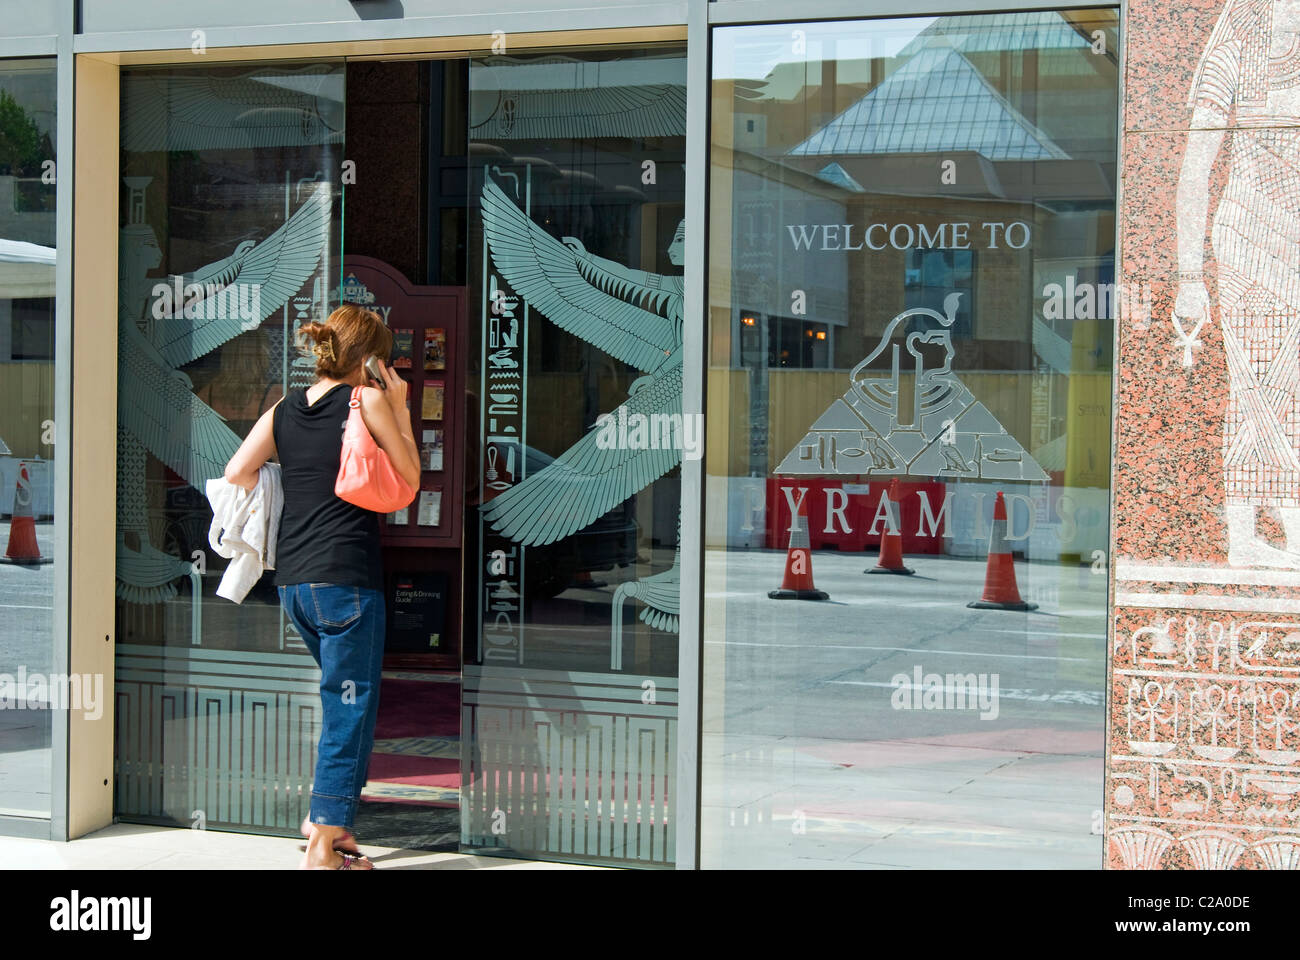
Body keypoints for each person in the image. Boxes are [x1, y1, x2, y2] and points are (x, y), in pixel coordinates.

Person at [223, 303, 420, 869]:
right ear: (371, 359)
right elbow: (408, 480)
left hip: (295, 583)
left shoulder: (284, 408)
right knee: (348, 707)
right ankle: (322, 839)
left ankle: (331, 824)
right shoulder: (369, 400)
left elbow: (238, 471)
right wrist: (401, 410)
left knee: (344, 698)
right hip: (347, 582)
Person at [1175, 0, 1300, 567]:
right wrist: (1186, 274)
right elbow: (1196, 167)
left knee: (1288, 387)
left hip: (1296, 241)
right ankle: (1247, 532)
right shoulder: (1229, 56)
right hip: (1246, 237)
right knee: (1252, 384)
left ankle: (1277, 515)